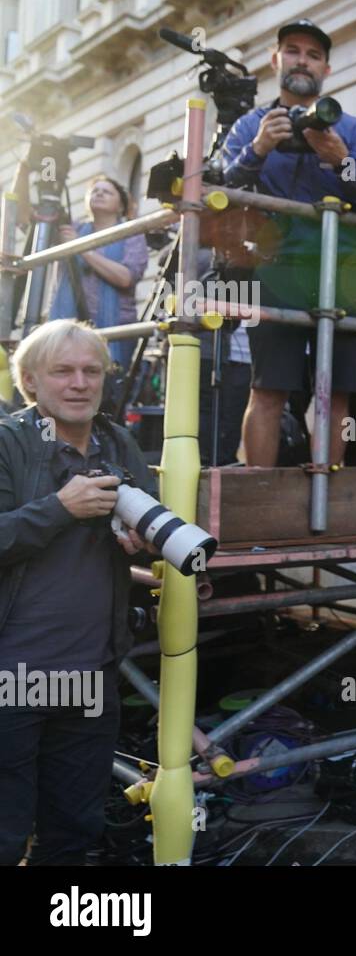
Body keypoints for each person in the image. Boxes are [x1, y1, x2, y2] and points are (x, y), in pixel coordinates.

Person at [0, 320, 156, 865]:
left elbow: (155, 527)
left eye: (92, 371)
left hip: (90, 673)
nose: (79, 383)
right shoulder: (7, 441)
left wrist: (144, 542)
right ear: (30, 381)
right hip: (12, 677)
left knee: (72, 831)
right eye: (62, 371)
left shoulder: (118, 442)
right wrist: (58, 510)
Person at [221, 18, 356, 467]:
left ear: (327, 70)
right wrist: (257, 149)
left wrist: (341, 160)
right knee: (268, 387)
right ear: (276, 60)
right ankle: (260, 496)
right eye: (293, 50)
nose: (302, 60)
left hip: (346, 270)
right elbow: (219, 193)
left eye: (313, 55)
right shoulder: (250, 125)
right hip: (277, 268)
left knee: (335, 395)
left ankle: (325, 498)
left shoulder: (348, 128)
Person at [48, 175, 149, 370]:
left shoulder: (132, 233)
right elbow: (26, 220)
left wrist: (80, 247)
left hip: (116, 330)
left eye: (107, 191)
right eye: (95, 191)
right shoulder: (72, 229)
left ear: (120, 206)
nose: (99, 193)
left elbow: (125, 277)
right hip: (66, 329)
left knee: (107, 388)